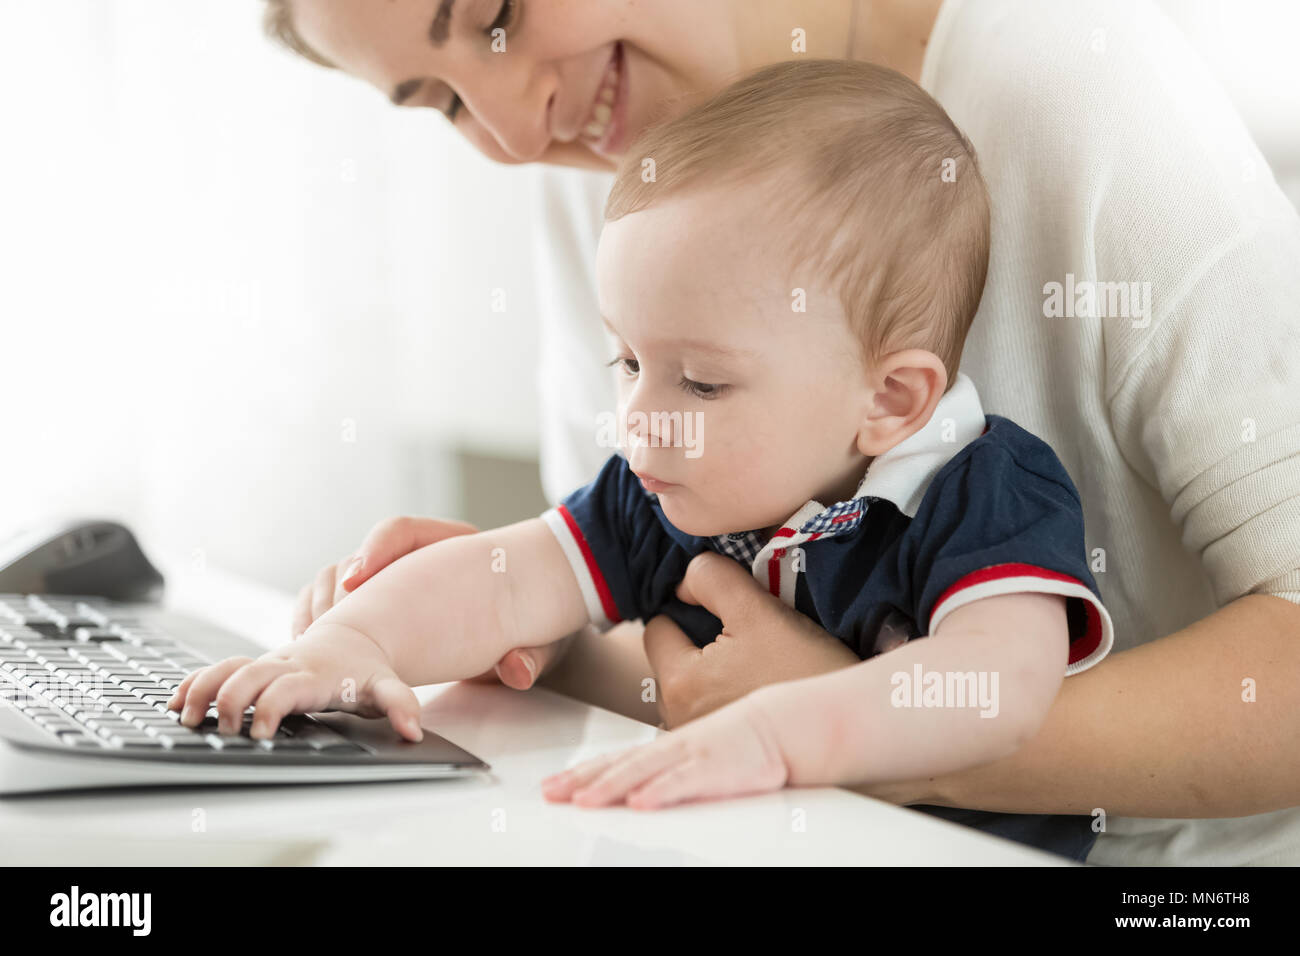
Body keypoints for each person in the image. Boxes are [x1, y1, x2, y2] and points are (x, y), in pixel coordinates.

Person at [264, 0, 1300, 866]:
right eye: (440, 101)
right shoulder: (613, 174)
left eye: (494, 13)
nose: (516, 132)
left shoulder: (1075, 89)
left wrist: (837, 726)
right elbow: (679, 642)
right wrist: (487, 626)